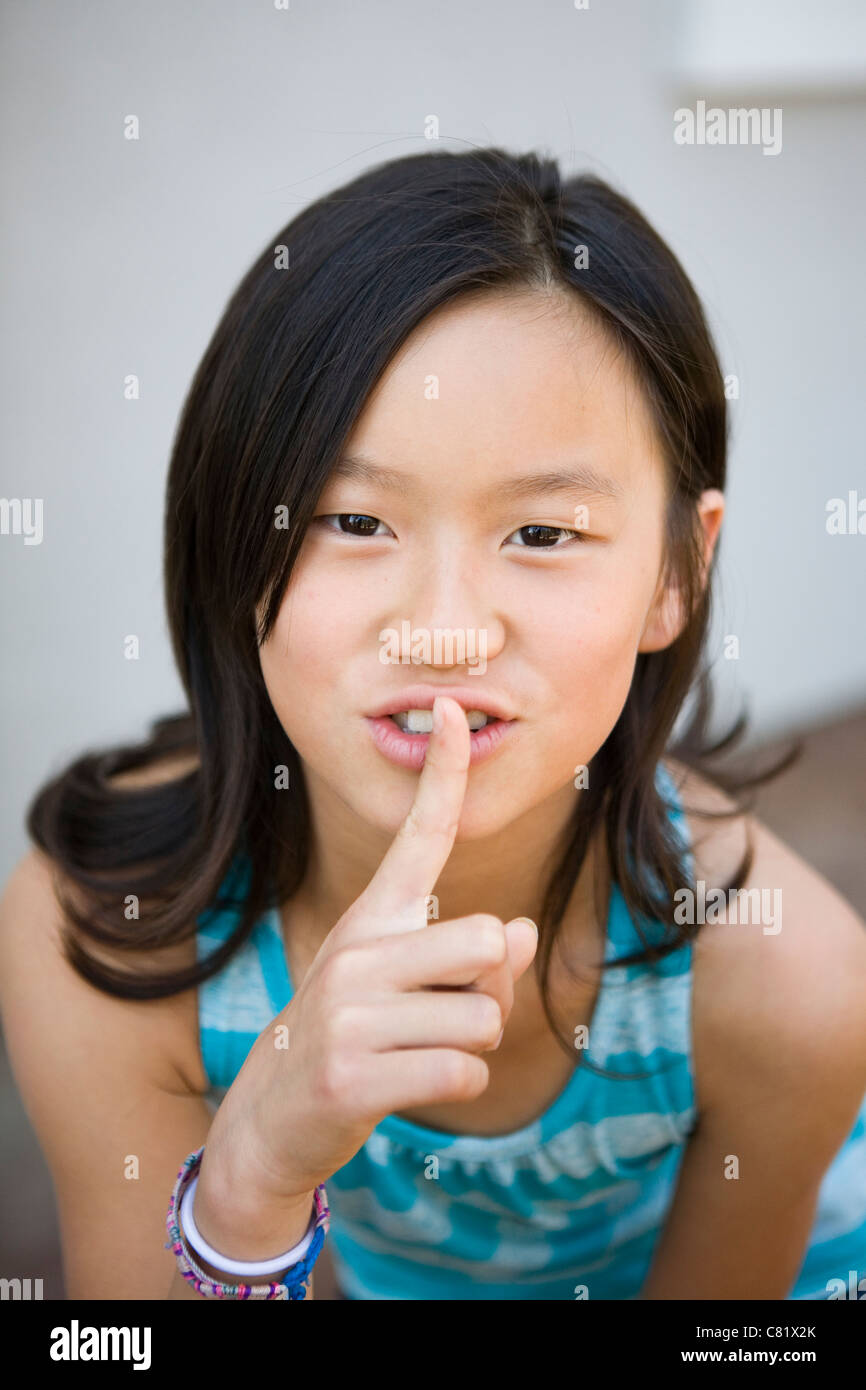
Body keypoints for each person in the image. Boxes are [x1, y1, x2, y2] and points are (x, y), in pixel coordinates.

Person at [2, 148, 865, 1301]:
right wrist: (250, 1180)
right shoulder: (108, 939)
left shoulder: (783, 983)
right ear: (229, 538)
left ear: (676, 571)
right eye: (352, 519)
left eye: (543, 535)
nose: (444, 633)